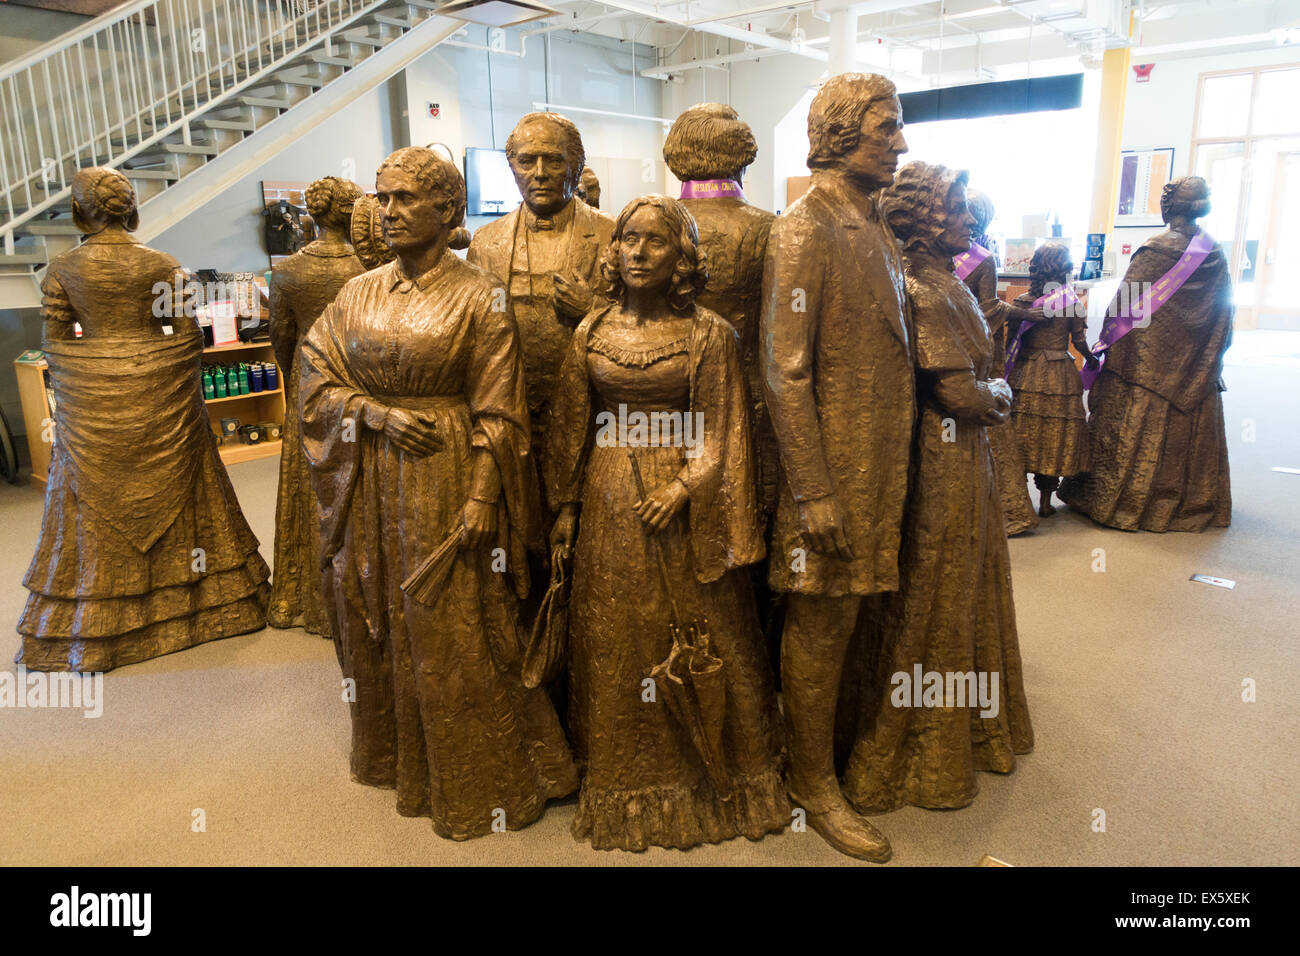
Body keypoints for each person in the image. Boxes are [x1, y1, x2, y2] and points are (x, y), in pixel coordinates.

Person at [299, 147, 576, 839]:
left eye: (401, 199)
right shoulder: (358, 291)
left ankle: (490, 775)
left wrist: (485, 496)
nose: (386, 212)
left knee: (455, 625)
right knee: (377, 612)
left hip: (446, 473)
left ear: (446, 209)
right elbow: (314, 376)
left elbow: (501, 410)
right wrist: (373, 412)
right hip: (370, 474)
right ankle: (399, 757)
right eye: (380, 198)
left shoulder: (480, 294)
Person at [546, 195, 788, 851]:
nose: (638, 252)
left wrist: (685, 483)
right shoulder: (590, 331)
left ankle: (720, 777)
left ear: (681, 258)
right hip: (607, 497)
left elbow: (726, 430)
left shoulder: (709, 333)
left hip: (684, 506)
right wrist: (565, 508)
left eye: (655, 242)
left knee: (699, 627)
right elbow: (573, 424)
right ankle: (624, 778)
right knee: (616, 629)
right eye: (628, 239)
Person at [17, 167, 269, 672]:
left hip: (93, 403)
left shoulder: (63, 269)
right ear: (130, 208)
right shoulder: (160, 262)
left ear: (80, 210)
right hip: (162, 397)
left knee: (92, 499)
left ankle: (98, 625)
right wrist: (144, 366)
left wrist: (103, 366)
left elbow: (57, 346)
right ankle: (204, 606)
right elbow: (186, 337)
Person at [841, 162, 1033, 814]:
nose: (971, 220)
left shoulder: (935, 283)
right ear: (924, 219)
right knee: (938, 595)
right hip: (944, 463)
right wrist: (1003, 392)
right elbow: (959, 395)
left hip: (957, 461)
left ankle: (962, 732)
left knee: (955, 589)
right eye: (957, 209)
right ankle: (916, 746)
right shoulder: (929, 292)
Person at [760, 72, 914, 862]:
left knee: (852, 617)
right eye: (886, 127)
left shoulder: (873, 223)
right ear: (839, 132)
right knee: (820, 620)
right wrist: (813, 489)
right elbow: (784, 370)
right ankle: (811, 783)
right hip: (832, 472)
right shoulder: (805, 227)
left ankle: (833, 754)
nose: (900, 142)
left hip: (877, 459)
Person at [1060, 176, 1232, 532]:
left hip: (1145, 368)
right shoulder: (1213, 250)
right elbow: (1223, 311)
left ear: (1167, 206)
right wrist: (1208, 356)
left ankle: (1126, 504)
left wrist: (1108, 347)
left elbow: (1124, 307)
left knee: (1135, 427)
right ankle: (1188, 504)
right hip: (1196, 363)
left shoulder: (1156, 249)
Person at [467, 112, 615, 477]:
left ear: (576, 167)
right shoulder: (487, 242)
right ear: (511, 166)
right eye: (526, 160)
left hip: (591, 416)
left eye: (553, 159)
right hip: (510, 416)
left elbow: (646, 325)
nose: (539, 172)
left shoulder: (612, 234)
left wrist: (593, 309)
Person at [267, 176, 365, 634]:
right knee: (357, 480)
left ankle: (304, 596)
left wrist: (298, 375)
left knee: (309, 484)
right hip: (360, 375)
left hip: (308, 378)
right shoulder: (368, 265)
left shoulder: (288, 271)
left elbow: (280, 336)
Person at [958, 189, 1038, 534]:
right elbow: (989, 309)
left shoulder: (927, 253)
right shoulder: (983, 258)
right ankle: (1006, 509)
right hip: (975, 349)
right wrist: (1023, 312)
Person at [1007, 242, 1095, 517]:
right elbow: (1079, 342)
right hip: (1059, 375)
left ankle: (1017, 499)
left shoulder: (1022, 302)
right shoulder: (1072, 303)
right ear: (1065, 267)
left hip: (1025, 373)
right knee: (1053, 437)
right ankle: (1045, 503)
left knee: (1019, 431)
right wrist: (1093, 360)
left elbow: (1009, 342)